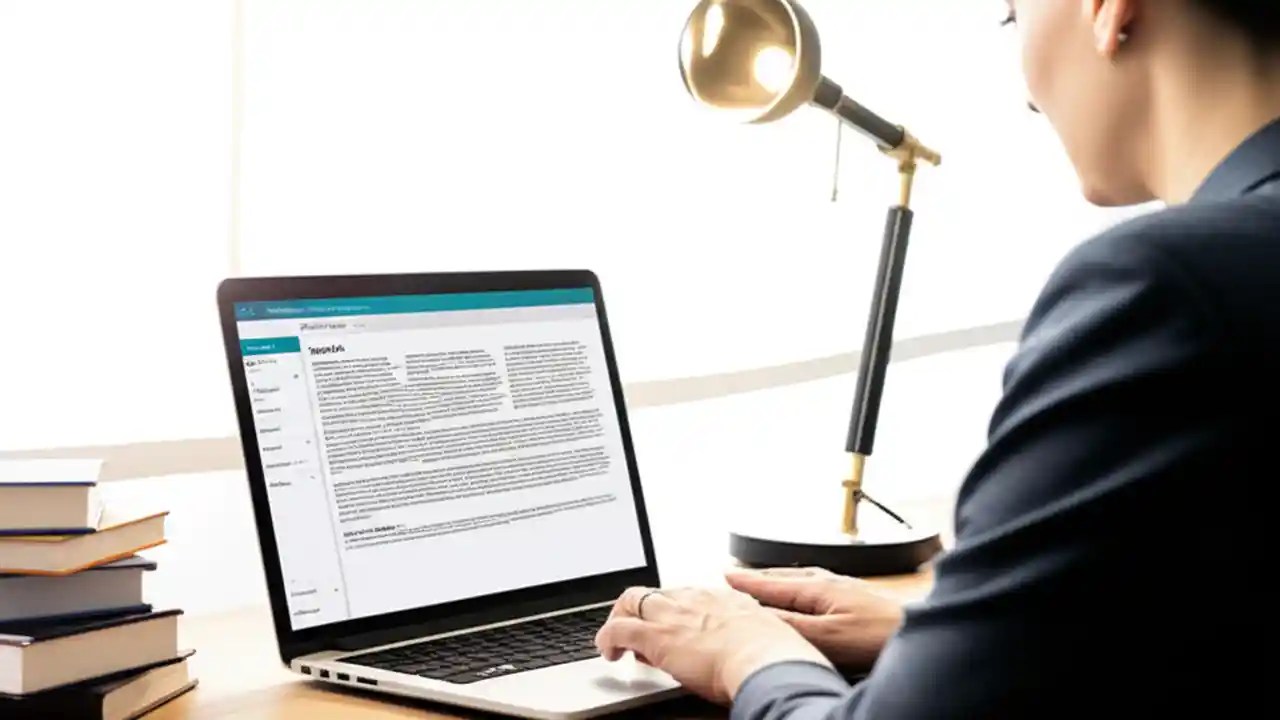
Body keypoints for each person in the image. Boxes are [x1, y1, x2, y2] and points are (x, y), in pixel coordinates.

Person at [594, 0, 1278, 717]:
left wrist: (747, 650)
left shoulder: (1165, 289)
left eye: (1013, 16)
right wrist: (953, 637)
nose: (1026, 86)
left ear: (1110, 9)